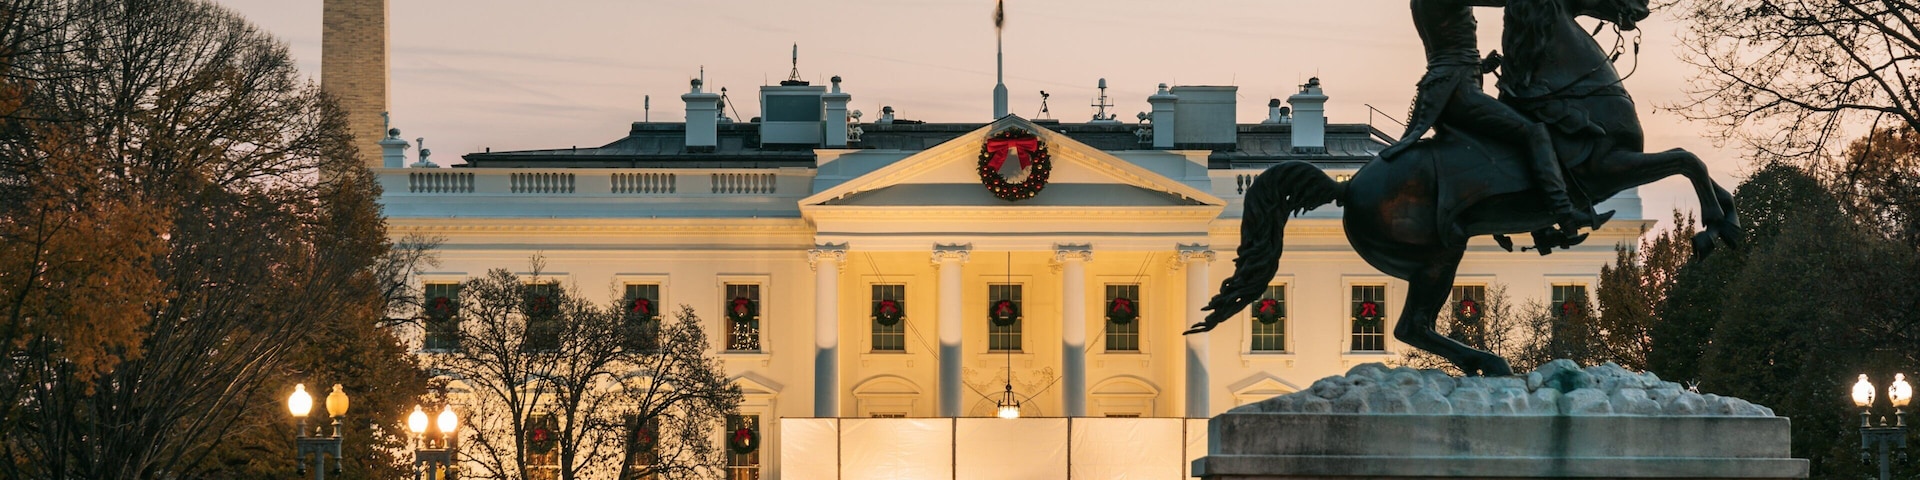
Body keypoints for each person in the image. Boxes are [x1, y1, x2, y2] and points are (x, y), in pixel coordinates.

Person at [1378, 0, 1607, 240]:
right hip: (1458, 92)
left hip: (1453, 84)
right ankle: (1564, 212)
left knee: (1510, 139)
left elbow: (1449, 48)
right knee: (1532, 132)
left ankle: (1541, 227)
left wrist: (1482, 66)